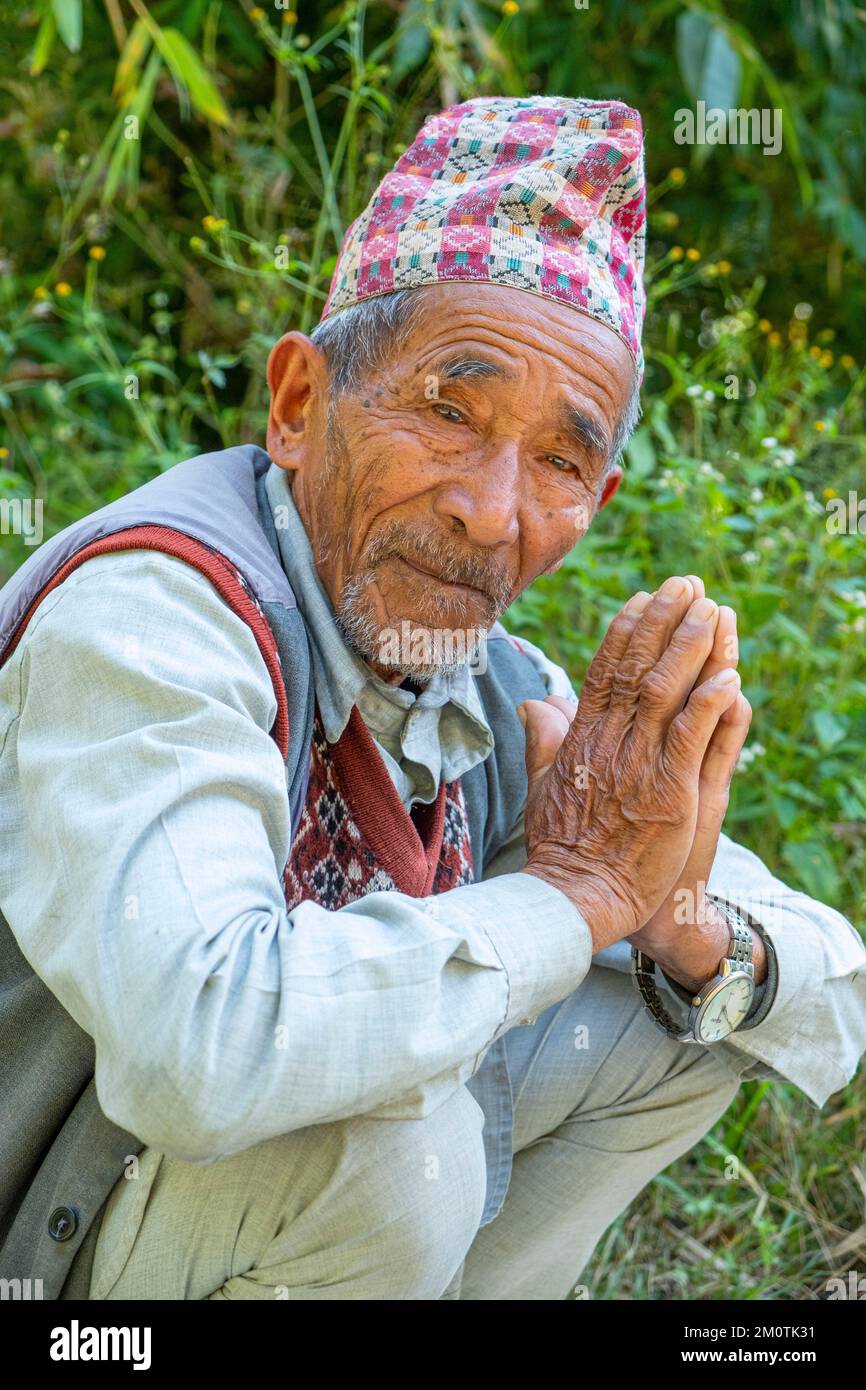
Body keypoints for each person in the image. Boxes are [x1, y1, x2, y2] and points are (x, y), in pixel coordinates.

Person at [1, 95, 864, 1302]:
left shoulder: (492, 686)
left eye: (556, 459)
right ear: (299, 406)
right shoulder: (155, 613)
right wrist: (571, 896)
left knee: (680, 1026)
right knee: (391, 1148)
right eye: (447, 411)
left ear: (597, 499)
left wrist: (675, 920)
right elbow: (194, 1048)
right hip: (47, 1250)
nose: (492, 509)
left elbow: (837, 980)